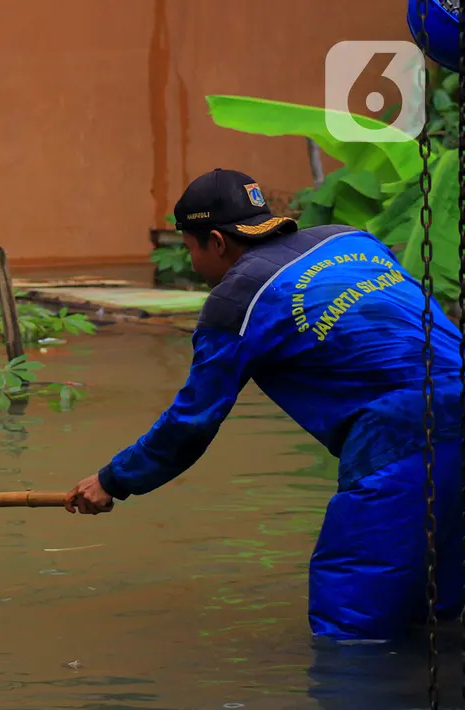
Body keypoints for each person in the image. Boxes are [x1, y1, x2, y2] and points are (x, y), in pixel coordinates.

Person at [64, 168, 464, 643]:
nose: (190, 263)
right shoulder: (350, 239)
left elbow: (191, 422)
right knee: (437, 606)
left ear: (215, 241)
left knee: (354, 628)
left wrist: (113, 480)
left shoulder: (237, 301)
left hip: (402, 439)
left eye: (188, 247)